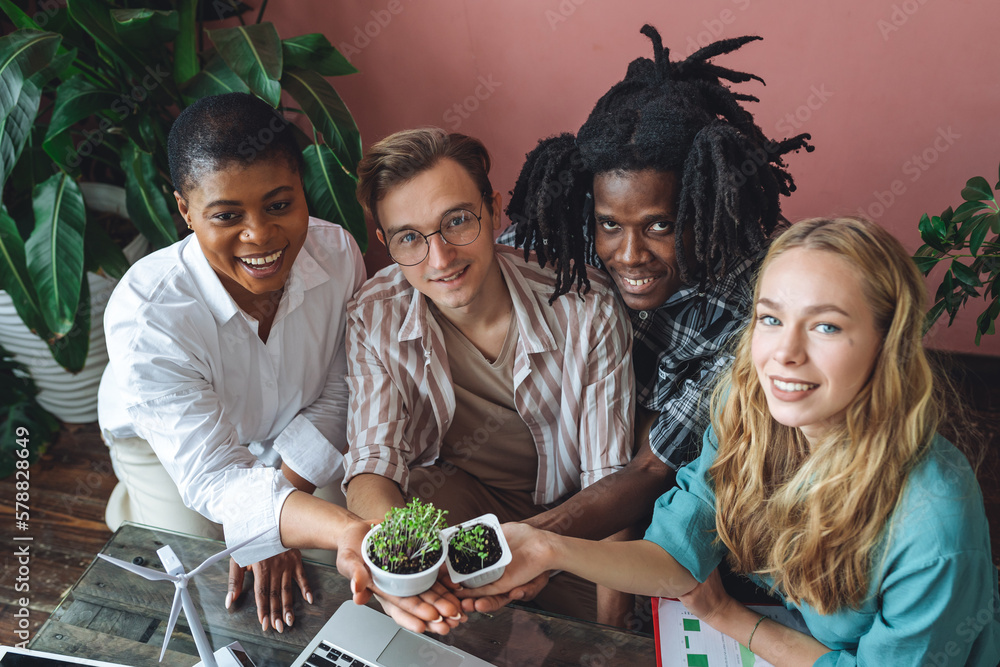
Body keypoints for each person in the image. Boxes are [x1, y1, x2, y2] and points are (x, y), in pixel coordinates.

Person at [462, 217, 1000, 665]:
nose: (784, 353)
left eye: (826, 327)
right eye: (770, 318)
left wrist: (729, 618)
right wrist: (548, 548)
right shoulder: (748, 412)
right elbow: (676, 555)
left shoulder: (934, 519)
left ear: (889, 343)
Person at [98, 93, 463, 637]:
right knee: (200, 582)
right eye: (226, 216)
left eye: (278, 204)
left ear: (302, 190)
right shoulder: (148, 315)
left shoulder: (338, 254)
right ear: (185, 210)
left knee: (340, 558)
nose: (261, 236)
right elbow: (214, 473)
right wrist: (281, 527)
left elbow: (343, 388)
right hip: (173, 447)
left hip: (297, 424)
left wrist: (280, 515)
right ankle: (137, 493)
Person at [479, 25, 815, 615]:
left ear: (700, 204)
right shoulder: (575, 228)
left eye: (659, 225)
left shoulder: (754, 299)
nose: (630, 255)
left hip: (716, 482)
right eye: (612, 224)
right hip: (588, 440)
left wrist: (537, 542)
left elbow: (655, 466)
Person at [344, 127, 635, 622]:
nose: (440, 259)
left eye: (456, 221)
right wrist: (406, 575)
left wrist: (613, 639)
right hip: (455, 511)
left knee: (609, 633)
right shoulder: (375, 314)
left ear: (493, 208)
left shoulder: (586, 309)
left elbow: (610, 485)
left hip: (570, 522)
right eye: (410, 238)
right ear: (386, 243)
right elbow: (374, 460)